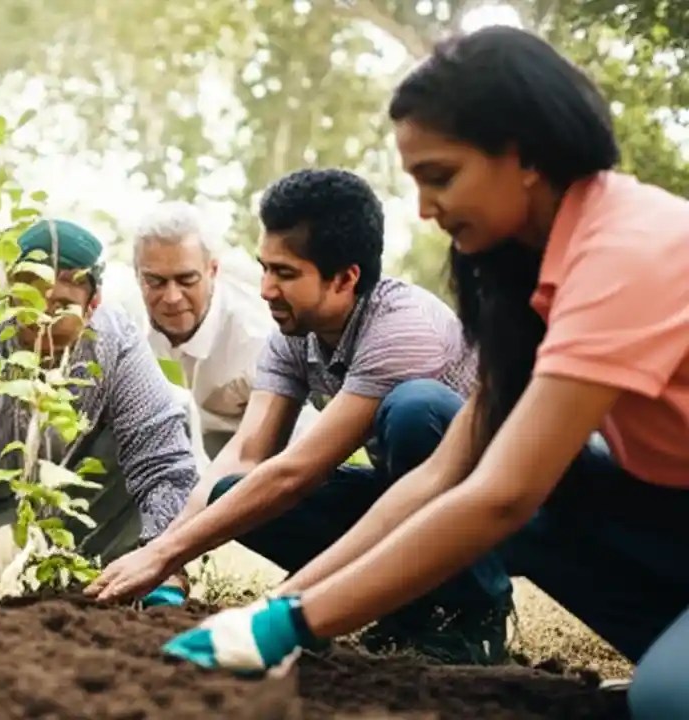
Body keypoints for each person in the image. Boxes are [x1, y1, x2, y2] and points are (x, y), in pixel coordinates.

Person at [162, 25, 689, 719]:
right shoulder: (533, 278)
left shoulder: (625, 254)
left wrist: (288, 626)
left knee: (662, 700)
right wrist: (277, 606)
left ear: (525, 155)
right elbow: (443, 476)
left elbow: (501, 495)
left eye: (440, 177)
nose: (424, 208)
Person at [90, 168, 512, 665]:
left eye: (285, 274)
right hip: (406, 501)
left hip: (499, 506)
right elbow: (246, 457)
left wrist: (175, 561)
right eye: (264, 267)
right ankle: (410, 605)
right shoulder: (293, 336)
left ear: (345, 278)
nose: (266, 289)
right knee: (235, 496)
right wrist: (165, 552)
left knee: (415, 410)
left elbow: (296, 473)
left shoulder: (402, 327)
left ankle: (476, 612)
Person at [0, 218, 199, 607]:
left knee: (174, 413)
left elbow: (160, 455)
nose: (43, 331)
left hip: (74, 510)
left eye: (61, 314)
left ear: (93, 305)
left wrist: (165, 564)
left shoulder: (115, 341)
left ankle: (117, 565)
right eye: (31, 314)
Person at [128, 201, 318, 459]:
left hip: (258, 457)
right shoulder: (124, 329)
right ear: (137, 276)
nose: (172, 297)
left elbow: (298, 446)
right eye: (155, 281)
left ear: (212, 270)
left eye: (186, 280)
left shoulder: (256, 338)